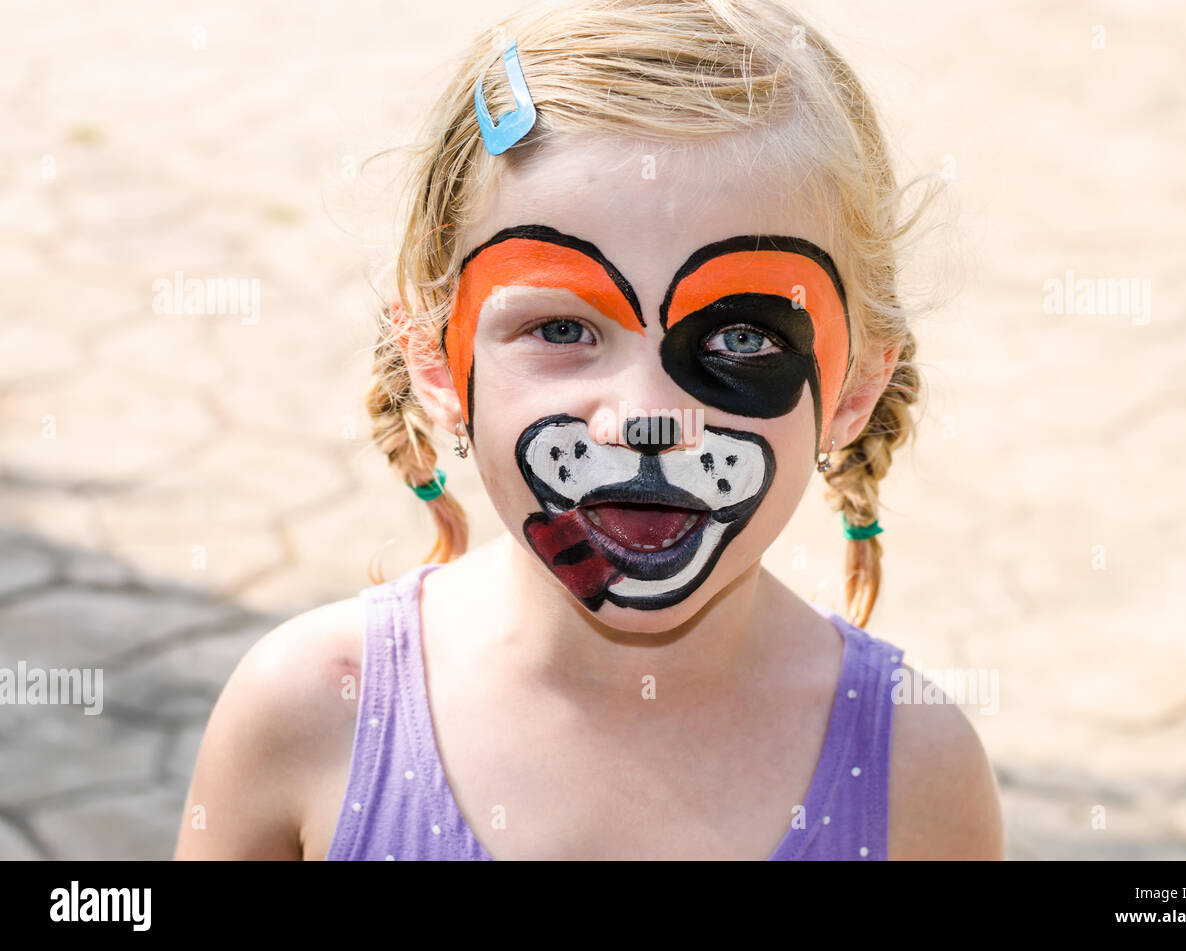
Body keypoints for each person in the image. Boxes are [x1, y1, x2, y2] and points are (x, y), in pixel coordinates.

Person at [174, 0, 1003, 861]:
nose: (647, 418)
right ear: (434, 356)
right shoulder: (313, 714)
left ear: (854, 386)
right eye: (564, 330)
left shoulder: (915, 772)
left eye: (742, 338)